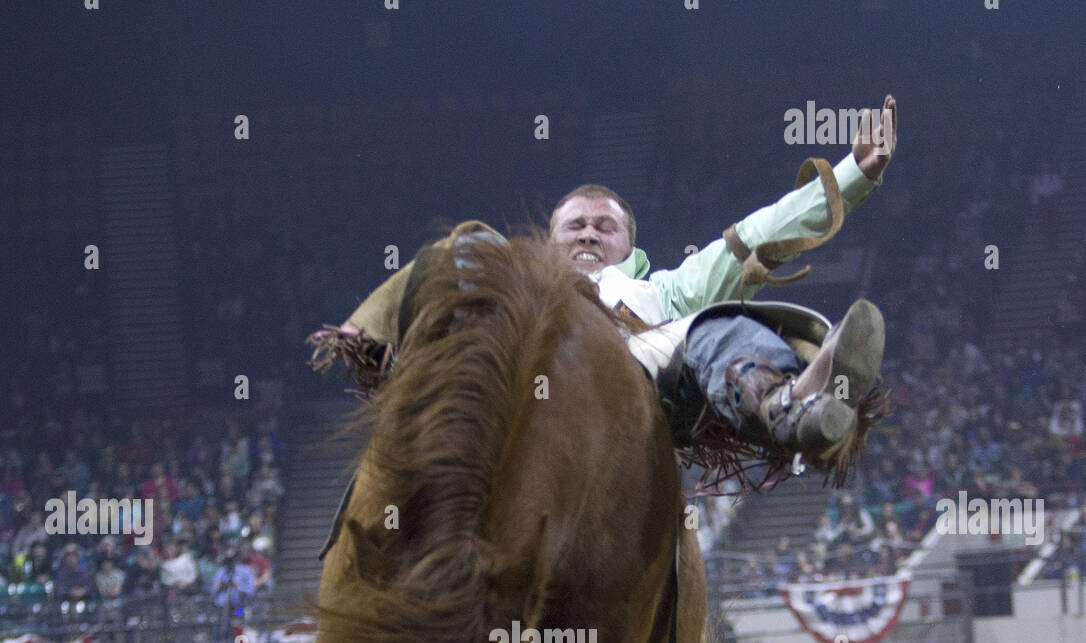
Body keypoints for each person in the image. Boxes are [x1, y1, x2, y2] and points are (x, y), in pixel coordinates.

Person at [313, 97, 897, 479]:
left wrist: (852, 174)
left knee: (711, 327)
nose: (590, 232)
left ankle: (792, 406)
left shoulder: (659, 291)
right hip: (517, 383)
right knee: (473, 242)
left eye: (605, 225)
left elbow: (755, 233)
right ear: (549, 241)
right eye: (576, 225)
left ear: (630, 251)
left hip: (632, 381)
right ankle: (389, 353)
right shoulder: (514, 275)